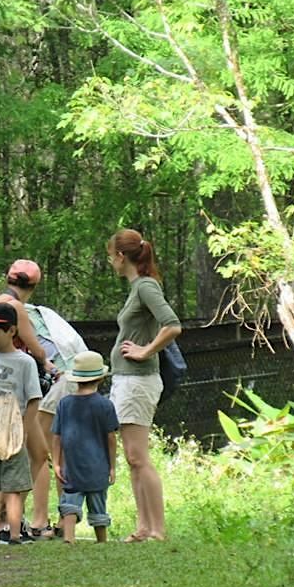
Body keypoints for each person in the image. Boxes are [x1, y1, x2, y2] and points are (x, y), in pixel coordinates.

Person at [107, 229, 181, 542]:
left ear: (122, 256)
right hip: (125, 380)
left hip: (139, 381)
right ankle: (143, 527)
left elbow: (173, 325)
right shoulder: (136, 288)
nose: (111, 261)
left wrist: (145, 350)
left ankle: (158, 530)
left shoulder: (146, 287)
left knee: (139, 456)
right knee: (132, 457)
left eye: (111, 255)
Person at [0, 259, 56, 538]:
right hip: (15, 389)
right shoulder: (16, 308)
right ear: (34, 286)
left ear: (8, 278)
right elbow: (35, 348)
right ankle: (5, 520)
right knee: (21, 454)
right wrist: (52, 367)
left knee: (36, 453)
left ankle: (13, 519)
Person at [0, 302, 42, 547]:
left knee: (14, 486)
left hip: (12, 434)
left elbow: (34, 400)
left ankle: (14, 534)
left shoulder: (25, 362)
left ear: (12, 331)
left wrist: (23, 431)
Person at [28, 301, 90, 539]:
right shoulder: (34, 312)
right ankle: (65, 519)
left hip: (63, 382)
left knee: (42, 452)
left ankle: (44, 520)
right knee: (57, 452)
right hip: (68, 382)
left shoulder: (17, 313)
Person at [50, 351, 119, 544]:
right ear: (101, 378)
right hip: (98, 465)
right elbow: (111, 437)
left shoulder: (65, 404)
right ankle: (101, 540)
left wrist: (56, 463)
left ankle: (69, 537)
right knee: (98, 502)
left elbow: (56, 436)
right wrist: (112, 466)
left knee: (70, 501)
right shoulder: (105, 405)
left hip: (71, 465)